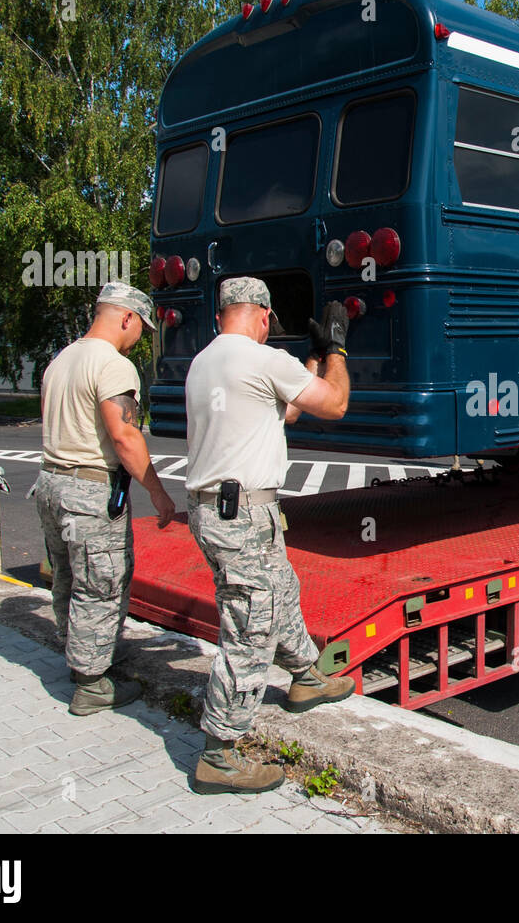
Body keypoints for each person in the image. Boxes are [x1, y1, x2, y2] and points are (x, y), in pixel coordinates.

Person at [184, 277, 355, 795]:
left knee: (280, 588)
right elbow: (335, 405)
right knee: (249, 627)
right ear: (262, 314)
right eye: (269, 324)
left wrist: (307, 360)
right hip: (242, 515)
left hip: (218, 512)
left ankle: (306, 676)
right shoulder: (261, 359)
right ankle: (219, 752)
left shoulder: (206, 361)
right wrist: (336, 350)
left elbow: (286, 409)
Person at [35, 282, 177, 716]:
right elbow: (124, 434)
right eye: (141, 329)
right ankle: (93, 683)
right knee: (102, 583)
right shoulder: (113, 366)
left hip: (50, 484)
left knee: (68, 577)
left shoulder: (60, 360)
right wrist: (157, 490)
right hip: (90, 492)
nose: (138, 339)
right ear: (126, 317)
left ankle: (80, 658)